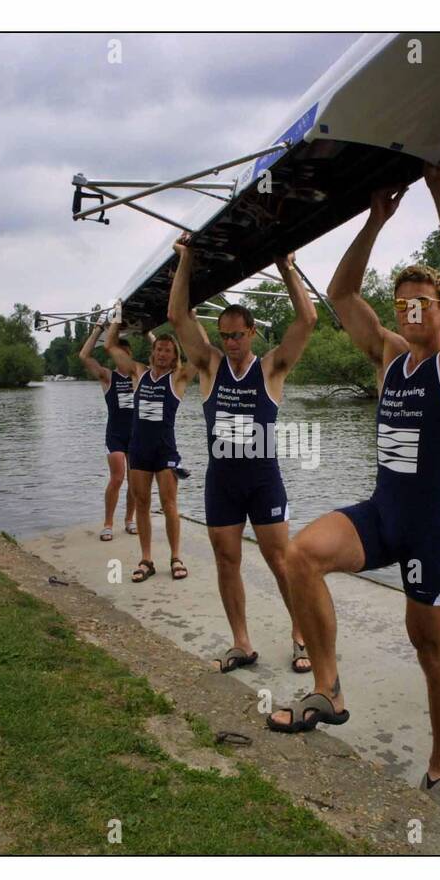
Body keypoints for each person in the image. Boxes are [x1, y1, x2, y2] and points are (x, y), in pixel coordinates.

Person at [267, 152, 440, 815]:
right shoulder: (391, 357)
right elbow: (340, 295)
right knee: (299, 554)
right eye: (401, 305)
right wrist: (374, 217)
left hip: (431, 530)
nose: (408, 312)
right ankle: (330, 689)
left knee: (431, 652)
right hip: (382, 512)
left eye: (420, 302)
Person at [167, 239, 318, 673]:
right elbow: (178, 316)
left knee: (279, 560)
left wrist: (286, 267)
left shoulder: (271, 368)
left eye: (238, 334)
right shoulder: (209, 366)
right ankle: (241, 643)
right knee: (226, 559)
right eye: (225, 334)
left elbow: (307, 319)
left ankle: (301, 636)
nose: (231, 341)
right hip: (223, 482)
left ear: (252, 332)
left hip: (263, 479)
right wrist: (186, 260)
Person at [105, 313, 197, 583]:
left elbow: (201, 355)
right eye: (159, 349)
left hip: (166, 452)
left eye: (168, 351)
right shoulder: (138, 373)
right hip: (139, 450)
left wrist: (187, 317)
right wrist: (116, 316)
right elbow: (110, 346)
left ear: (173, 356)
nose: (162, 354)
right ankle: (146, 560)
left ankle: (176, 556)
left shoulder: (178, 379)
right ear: (153, 351)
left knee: (169, 504)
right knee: (142, 504)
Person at [78, 319, 144, 540]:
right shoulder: (108, 376)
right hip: (115, 435)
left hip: (136, 436)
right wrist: (98, 330)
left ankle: (129, 520)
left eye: (126, 354)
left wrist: (148, 332)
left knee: (135, 482)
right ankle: (108, 524)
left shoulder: (139, 377)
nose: (122, 358)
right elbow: (84, 356)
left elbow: (167, 364)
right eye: (119, 353)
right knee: (117, 478)